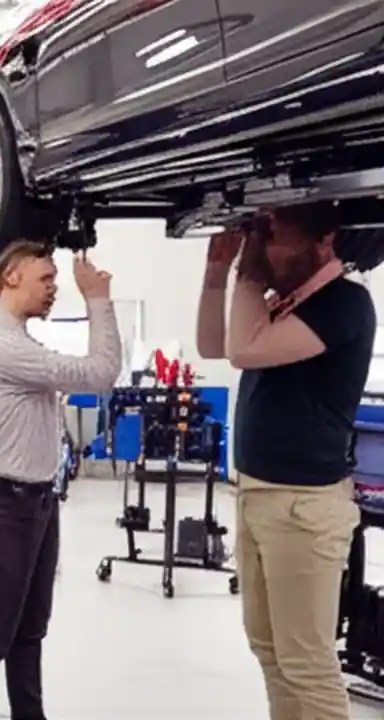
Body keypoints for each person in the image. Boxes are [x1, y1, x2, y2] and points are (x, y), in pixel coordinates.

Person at [195, 202, 375, 720]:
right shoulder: (286, 302)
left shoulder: (345, 304)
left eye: (278, 237)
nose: (269, 251)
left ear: (325, 240)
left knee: (307, 663)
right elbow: (214, 343)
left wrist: (248, 268)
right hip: (259, 495)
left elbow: (242, 352)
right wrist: (216, 271)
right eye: (264, 238)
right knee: (270, 651)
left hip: (303, 507)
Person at [0, 241, 121, 720]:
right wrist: (98, 301)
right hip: (10, 503)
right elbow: (101, 373)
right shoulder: (2, 349)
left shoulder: (21, 343)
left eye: (56, 283)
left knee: (29, 633)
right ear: (11, 276)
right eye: (46, 280)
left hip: (38, 501)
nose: (54, 291)